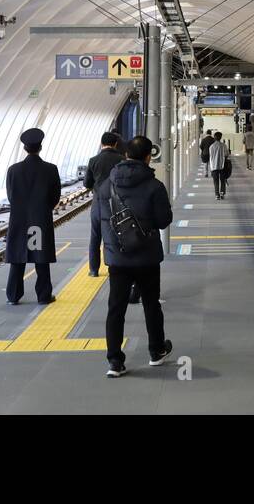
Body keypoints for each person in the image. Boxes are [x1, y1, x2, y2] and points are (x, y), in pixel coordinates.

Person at [92, 135, 173, 378]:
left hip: (117, 258)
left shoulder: (106, 186)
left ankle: (115, 361)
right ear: (149, 156)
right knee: (151, 304)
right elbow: (163, 220)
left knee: (115, 308)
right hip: (146, 256)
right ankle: (156, 350)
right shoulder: (154, 186)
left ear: (126, 154)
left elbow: (97, 219)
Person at [4, 127, 63, 305]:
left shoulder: (13, 170)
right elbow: (55, 197)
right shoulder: (51, 169)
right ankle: (44, 296)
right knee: (41, 257)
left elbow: (10, 196)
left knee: (18, 258)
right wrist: (43, 209)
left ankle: (13, 296)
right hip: (40, 220)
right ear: (41, 147)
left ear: (24, 148)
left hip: (19, 220)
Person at [82, 131, 124, 276]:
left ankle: (93, 270)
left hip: (98, 204)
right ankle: (114, 266)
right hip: (115, 204)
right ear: (116, 144)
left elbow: (87, 183)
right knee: (116, 235)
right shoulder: (121, 159)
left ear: (101, 143)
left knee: (95, 236)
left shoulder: (93, 160)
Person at [209, 130, 229, 200]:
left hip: (214, 166)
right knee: (222, 180)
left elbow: (210, 157)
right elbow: (227, 155)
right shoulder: (224, 145)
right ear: (220, 137)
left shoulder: (211, 146)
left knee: (215, 181)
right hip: (222, 165)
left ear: (214, 137)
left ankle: (217, 195)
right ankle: (222, 193)